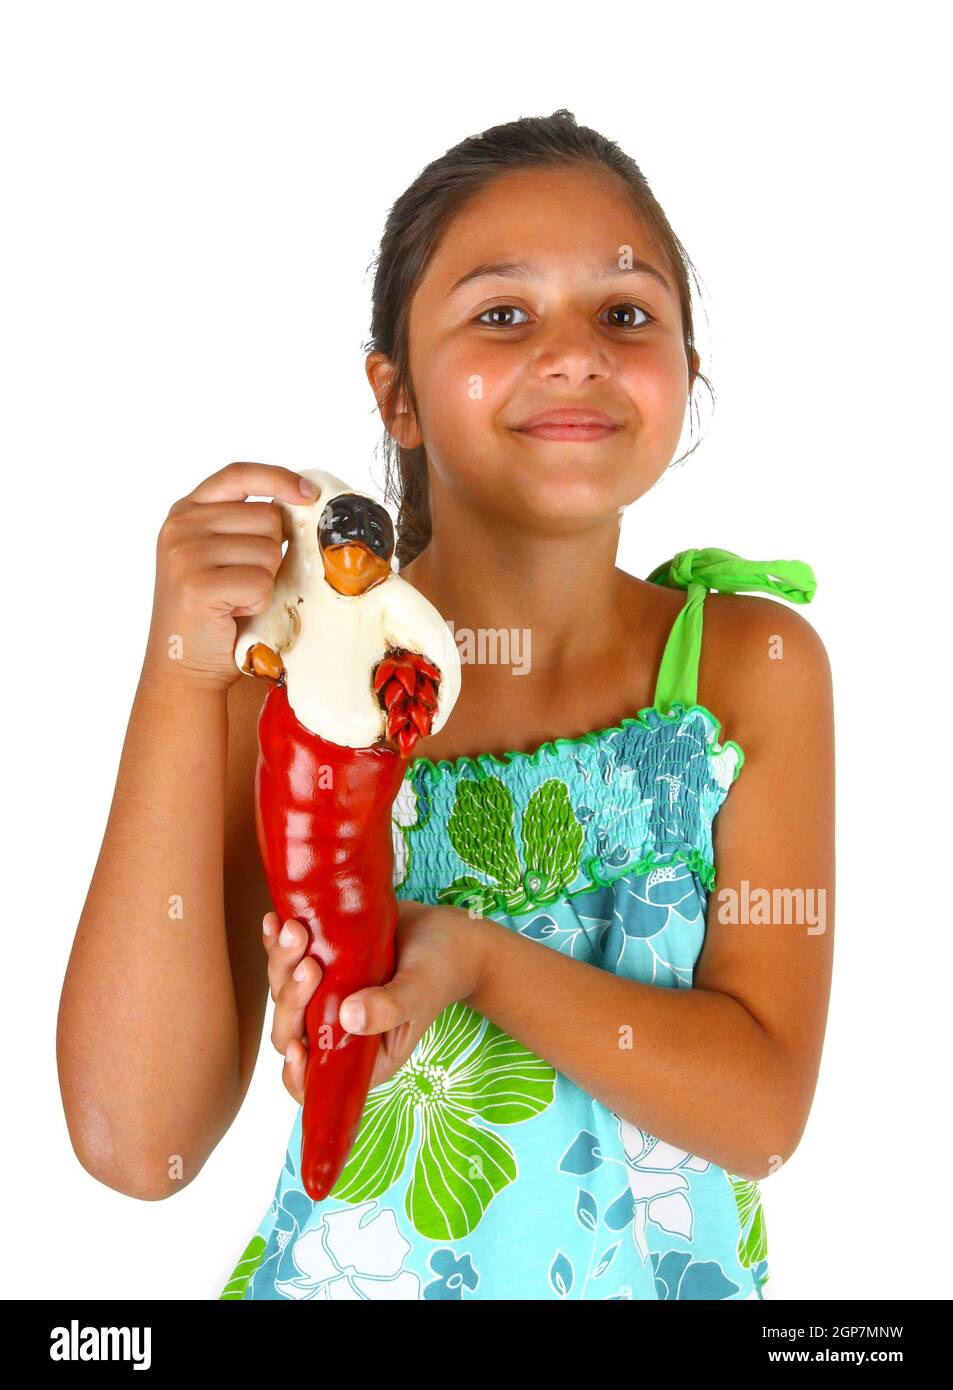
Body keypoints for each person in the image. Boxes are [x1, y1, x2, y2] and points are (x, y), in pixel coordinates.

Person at [57, 110, 834, 1302]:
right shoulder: (291, 688)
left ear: (685, 372)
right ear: (396, 396)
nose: (573, 352)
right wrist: (179, 676)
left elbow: (762, 1113)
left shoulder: (745, 667)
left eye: (624, 314)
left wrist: (472, 959)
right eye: (502, 312)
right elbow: (134, 1142)